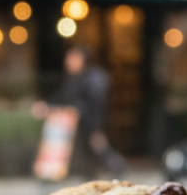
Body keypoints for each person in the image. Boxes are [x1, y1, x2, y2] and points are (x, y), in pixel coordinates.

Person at [35, 46, 128, 178]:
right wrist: (48, 106)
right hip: (80, 124)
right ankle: (92, 179)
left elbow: (96, 104)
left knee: (99, 147)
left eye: (72, 58)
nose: (68, 62)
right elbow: (63, 97)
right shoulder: (75, 78)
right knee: (89, 153)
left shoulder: (94, 77)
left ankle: (120, 170)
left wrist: (96, 128)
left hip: (93, 123)